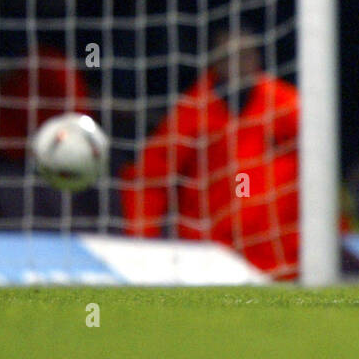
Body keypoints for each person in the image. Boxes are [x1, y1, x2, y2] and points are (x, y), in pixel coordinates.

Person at [119, 29, 301, 279]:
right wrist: (141, 244)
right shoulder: (191, 112)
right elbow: (150, 179)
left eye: (247, 55)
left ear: (258, 59)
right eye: (231, 57)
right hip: (210, 262)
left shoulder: (287, 105)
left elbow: (321, 174)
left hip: (282, 260)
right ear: (215, 63)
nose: (240, 64)